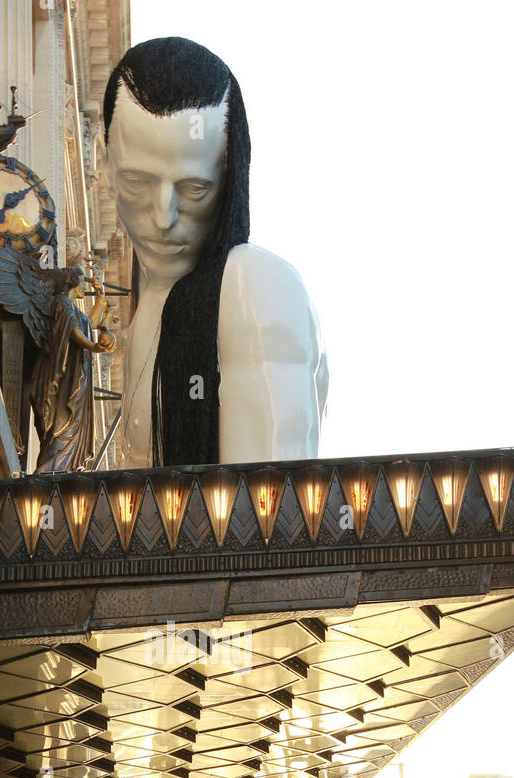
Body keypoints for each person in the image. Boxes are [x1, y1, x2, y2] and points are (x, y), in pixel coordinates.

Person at [102, 36, 328, 470]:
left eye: (193, 189)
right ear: (107, 166)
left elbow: (266, 510)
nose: (163, 218)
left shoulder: (254, 287)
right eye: (136, 182)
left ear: (229, 180)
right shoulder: (150, 314)